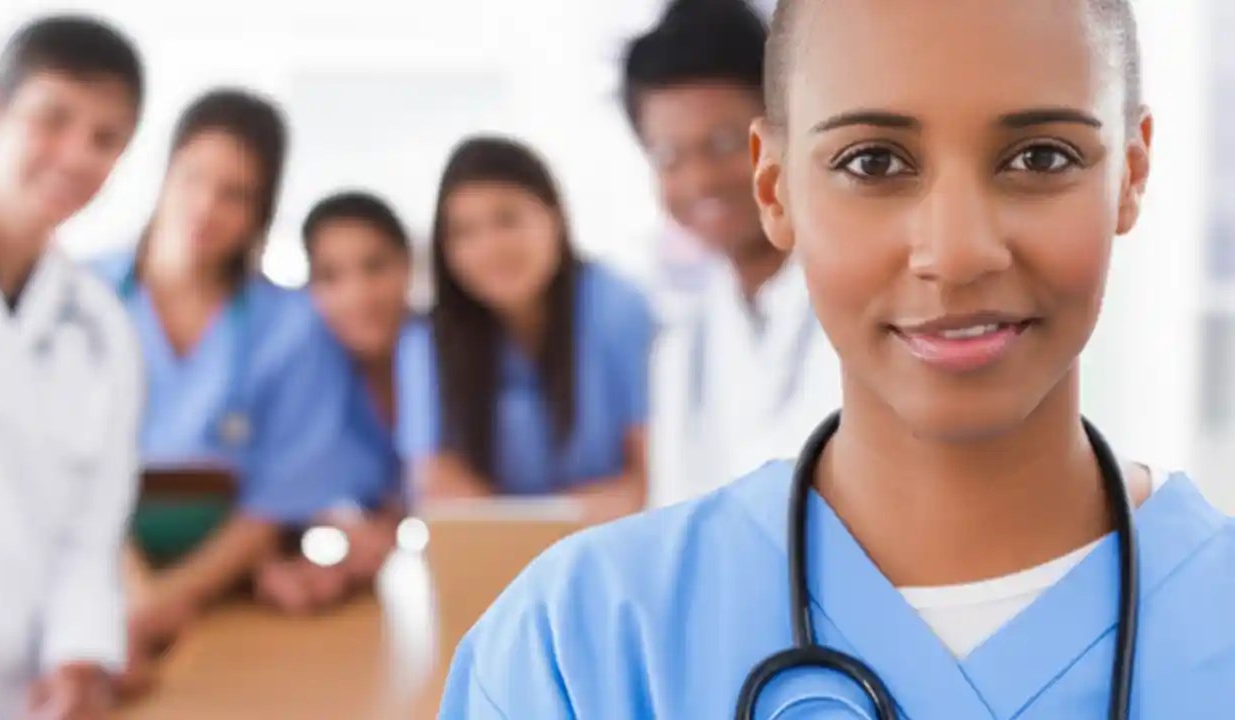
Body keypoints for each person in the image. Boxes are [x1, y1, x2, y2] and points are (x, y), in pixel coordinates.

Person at [441, 0, 1235, 716]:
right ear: (776, 186)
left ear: (1132, 172)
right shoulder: (576, 651)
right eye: (873, 162)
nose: (956, 252)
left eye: (1042, 158)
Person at [89, 89, 356, 689]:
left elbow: (279, 495)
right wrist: (134, 595)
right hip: (89, 585)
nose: (206, 206)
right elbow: (58, 470)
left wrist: (168, 599)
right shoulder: (83, 296)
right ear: (164, 173)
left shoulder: (291, 327)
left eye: (235, 194)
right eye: (194, 178)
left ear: (262, 211)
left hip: (230, 598)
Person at [0, 16, 143, 720]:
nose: (75, 156)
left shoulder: (101, 330)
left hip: (20, 701)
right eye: (53, 119)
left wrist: (79, 657)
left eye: (105, 139)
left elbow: (90, 537)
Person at [622, 0, 842, 508]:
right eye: (669, 157)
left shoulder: (868, 295)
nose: (700, 180)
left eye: (723, 144)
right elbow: (673, 517)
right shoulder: (682, 342)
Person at [396, 136, 654, 524]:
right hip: (497, 555)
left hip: (615, 542)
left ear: (555, 217)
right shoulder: (426, 339)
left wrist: (530, 527)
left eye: (507, 220)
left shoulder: (618, 307)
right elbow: (437, 481)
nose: (490, 247)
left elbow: (650, 474)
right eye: (464, 232)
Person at [255, 191, 411, 614]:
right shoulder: (308, 377)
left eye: (375, 267)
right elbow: (304, 489)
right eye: (330, 277)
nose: (358, 295)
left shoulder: (441, 362)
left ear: (408, 265)